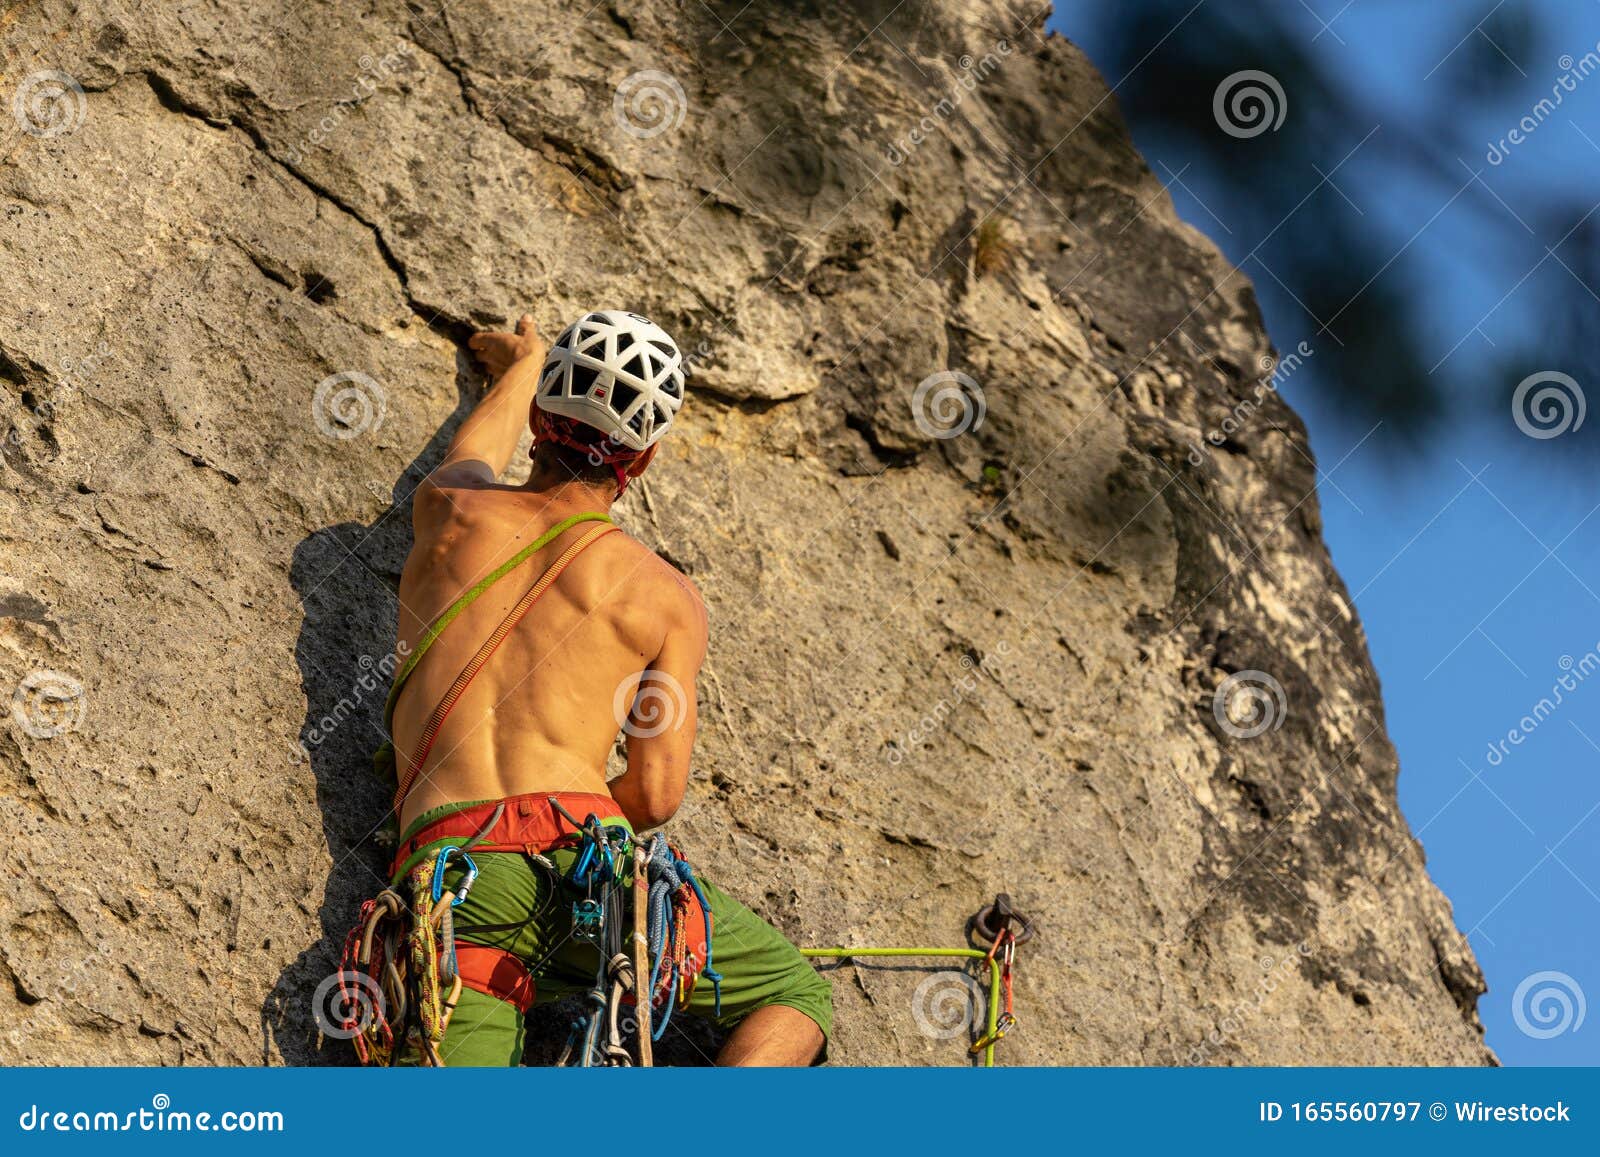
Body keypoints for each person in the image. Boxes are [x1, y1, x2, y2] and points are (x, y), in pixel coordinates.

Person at [382, 309, 829, 1065]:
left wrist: (523, 360)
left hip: (463, 879)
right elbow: (655, 796)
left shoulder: (450, 510)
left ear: (536, 418)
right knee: (796, 994)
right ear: (643, 462)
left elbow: (474, 452)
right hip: (598, 878)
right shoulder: (667, 599)